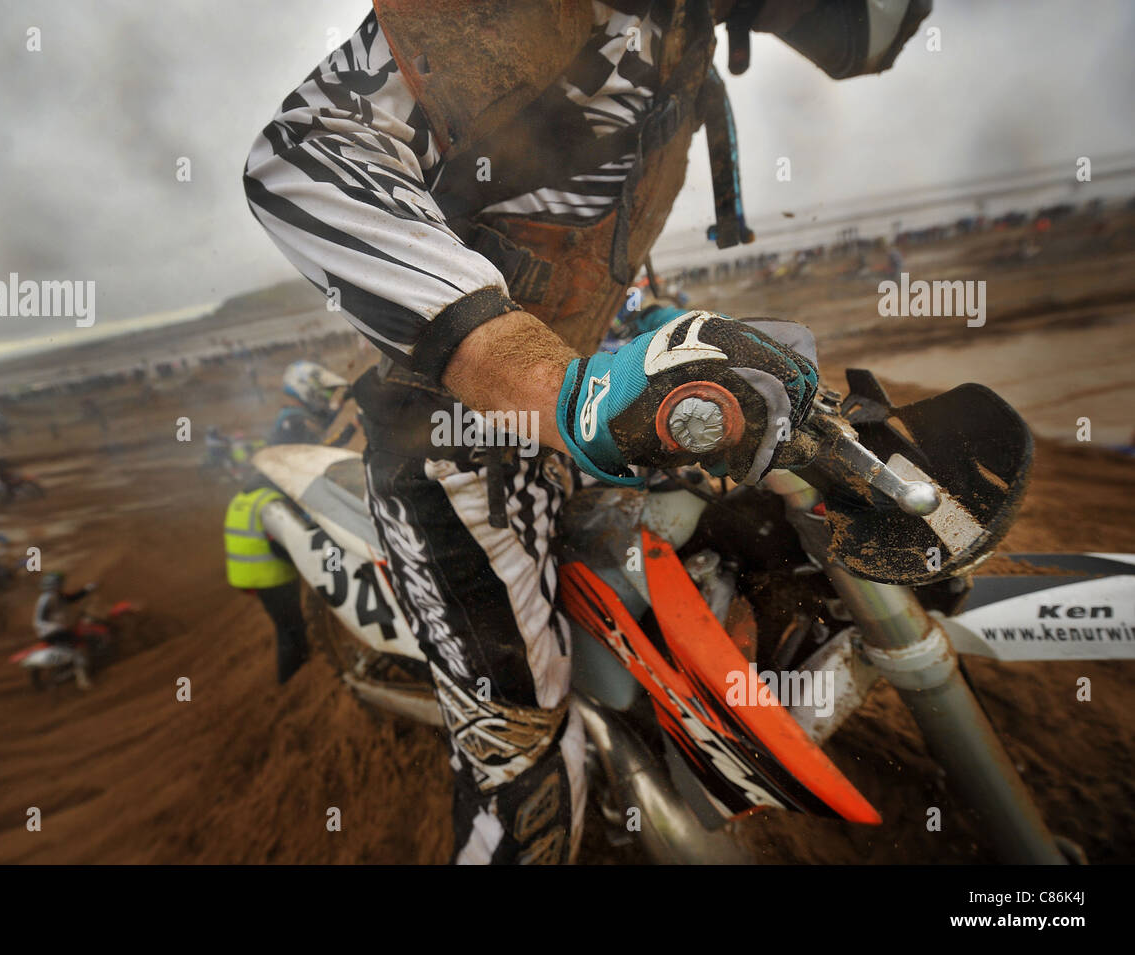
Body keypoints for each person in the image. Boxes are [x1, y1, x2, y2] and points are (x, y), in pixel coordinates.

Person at [244, 0, 929, 864]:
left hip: (581, 395)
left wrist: (644, 327)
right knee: (526, 782)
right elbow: (306, 153)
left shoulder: (680, 33)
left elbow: (568, 237)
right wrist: (545, 379)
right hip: (461, 442)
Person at [223, 476, 308, 684]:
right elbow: (281, 545)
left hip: (247, 575)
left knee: (286, 626)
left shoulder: (243, 498)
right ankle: (291, 680)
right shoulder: (271, 503)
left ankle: (294, 672)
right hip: (271, 577)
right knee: (291, 629)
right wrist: (307, 565)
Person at [32, 572, 96, 689]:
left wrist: (87, 589)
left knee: (72, 643)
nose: (61, 586)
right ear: (54, 585)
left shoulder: (50, 597)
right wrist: (58, 627)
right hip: (52, 631)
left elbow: (71, 598)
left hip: (50, 630)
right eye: (59, 584)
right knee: (78, 646)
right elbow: (40, 620)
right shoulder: (49, 598)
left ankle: (69, 667)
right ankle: (83, 681)